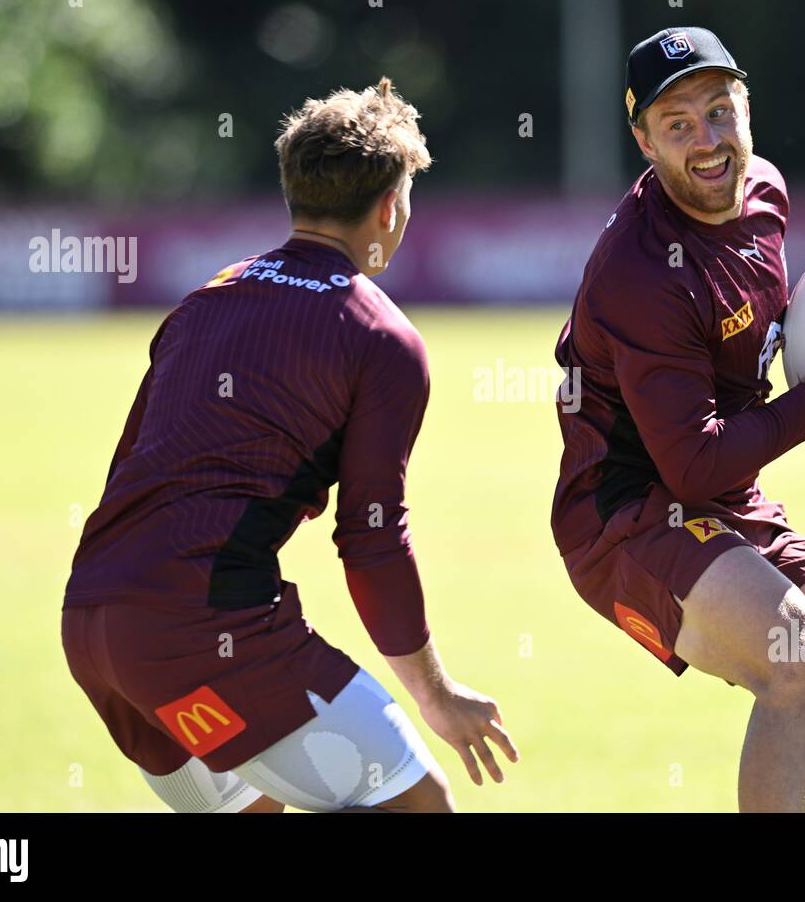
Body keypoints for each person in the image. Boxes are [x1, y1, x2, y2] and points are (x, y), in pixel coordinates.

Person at [63, 78, 517, 813]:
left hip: (93, 625)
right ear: (390, 207)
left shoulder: (206, 299)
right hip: (198, 630)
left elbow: (130, 470)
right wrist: (436, 696)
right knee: (417, 804)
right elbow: (372, 539)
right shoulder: (381, 337)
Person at [552, 28, 805, 812]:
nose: (706, 141)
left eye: (718, 110)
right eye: (677, 125)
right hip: (626, 518)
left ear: (745, 106)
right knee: (799, 659)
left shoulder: (765, 191)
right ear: (643, 142)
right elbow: (692, 466)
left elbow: (762, 352)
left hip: (726, 503)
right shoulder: (641, 272)